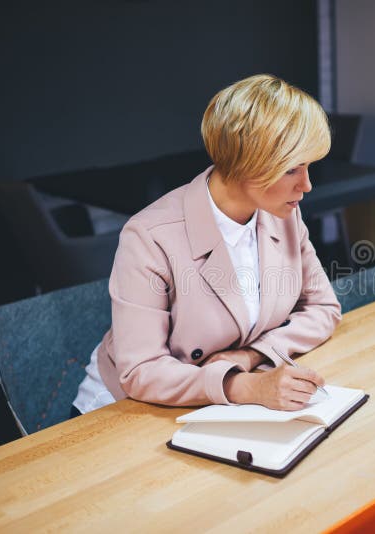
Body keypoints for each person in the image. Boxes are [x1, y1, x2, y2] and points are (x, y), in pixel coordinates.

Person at [71, 74, 341, 415]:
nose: (307, 185)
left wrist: (252, 355)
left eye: (308, 168)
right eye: (292, 170)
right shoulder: (149, 235)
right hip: (127, 409)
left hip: (218, 403)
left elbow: (324, 309)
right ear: (248, 163)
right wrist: (245, 385)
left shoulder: (284, 216)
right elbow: (141, 370)